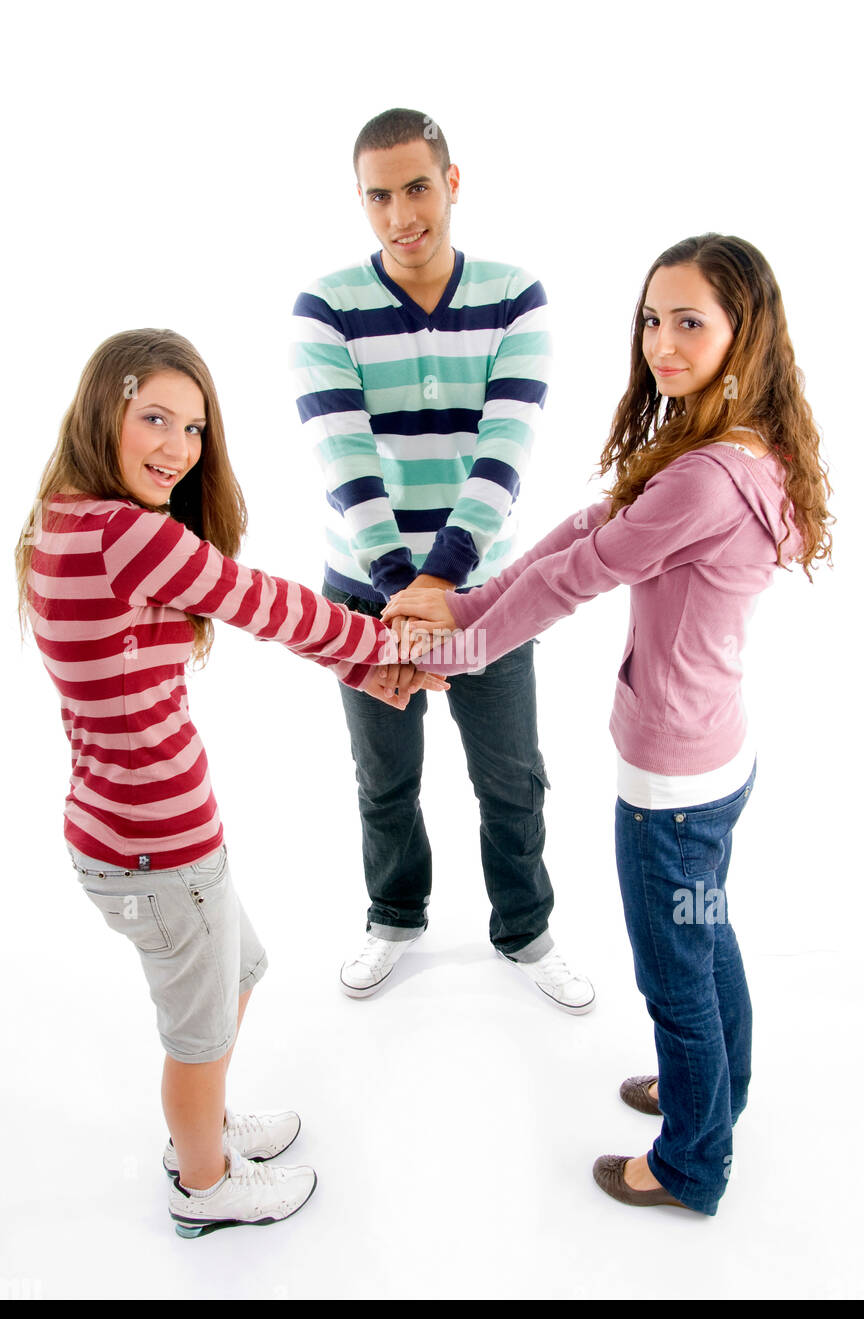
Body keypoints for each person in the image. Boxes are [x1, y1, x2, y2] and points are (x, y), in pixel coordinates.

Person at [384, 234, 833, 1215]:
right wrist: (462, 607)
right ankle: (716, 1093)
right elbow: (584, 535)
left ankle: (690, 1163)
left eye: (689, 322)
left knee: (677, 976)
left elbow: (576, 579)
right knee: (707, 939)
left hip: (671, 791)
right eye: (651, 317)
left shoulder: (705, 479)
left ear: (742, 333)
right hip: (716, 759)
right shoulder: (733, 450)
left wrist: (449, 654)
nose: (660, 343)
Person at [15, 328, 446, 1238]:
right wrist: (383, 648)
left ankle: (200, 1126)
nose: (177, 447)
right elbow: (261, 602)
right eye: (155, 419)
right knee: (199, 1030)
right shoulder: (128, 535)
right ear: (107, 412)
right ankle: (202, 1185)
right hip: (157, 846)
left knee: (237, 970)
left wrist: (366, 671)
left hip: (121, 832)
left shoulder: (65, 518)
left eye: (195, 428)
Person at [291, 107, 594, 1010]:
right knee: (385, 777)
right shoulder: (325, 306)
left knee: (510, 775)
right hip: (365, 592)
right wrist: (402, 595)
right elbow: (344, 463)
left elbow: (506, 451)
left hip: (487, 596)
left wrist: (445, 590)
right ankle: (394, 916)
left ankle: (526, 929)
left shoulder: (515, 295)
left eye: (416, 188)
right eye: (378, 196)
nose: (399, 215)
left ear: (451, 183)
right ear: (360, 200)